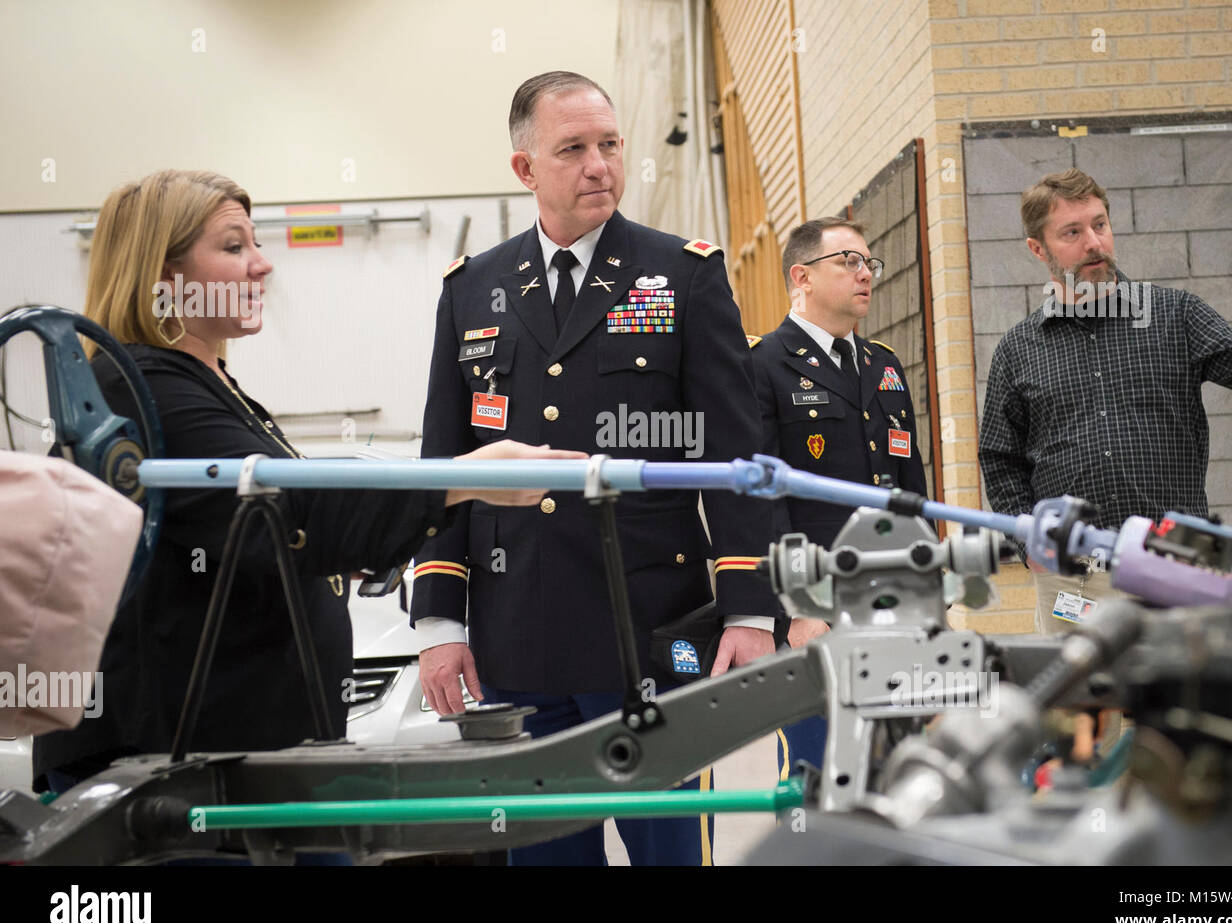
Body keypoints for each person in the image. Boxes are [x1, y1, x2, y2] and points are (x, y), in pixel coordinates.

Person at [33, 170, 581, 798]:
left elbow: (275, 529)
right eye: (234, 247)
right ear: (163, 277)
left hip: (245, 752)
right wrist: (463, 479)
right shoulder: (143, 389)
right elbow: (290, 511)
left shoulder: (203, 389)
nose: (262, 266)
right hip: (173, 769)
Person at [411, 71, 780, 866]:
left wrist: (750, 605)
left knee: (670, 855)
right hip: (520, 639)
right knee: (546, 859)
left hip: (646, 631)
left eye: (609, 145)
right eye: (573, 149)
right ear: (525, 169)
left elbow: (738, 452)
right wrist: (440, 620)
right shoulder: (472, 289)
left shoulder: (683, 273)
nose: (599, 166)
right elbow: (444, 462)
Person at [978, 167, 1232, 633]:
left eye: (1100, 224)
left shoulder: (1175, 315)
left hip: (1180, 554)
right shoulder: (1017, 349)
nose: (1094, 242)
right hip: (1074, 574)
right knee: (1082, 702)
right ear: (1037, 248)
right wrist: (1031, 546)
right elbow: (1000, 459)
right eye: (1072, 231)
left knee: (1190, 696)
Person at [750, 216, 929, 778]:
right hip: (819, 606)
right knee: (820, 768)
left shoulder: (882, 364)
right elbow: (761, 501)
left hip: (893, 597)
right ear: (801, 276)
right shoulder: (761, 365)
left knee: (903, 762)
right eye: (848, 261)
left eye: (869, 263)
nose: (865, 274)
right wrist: (799, 608)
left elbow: (908, 484)